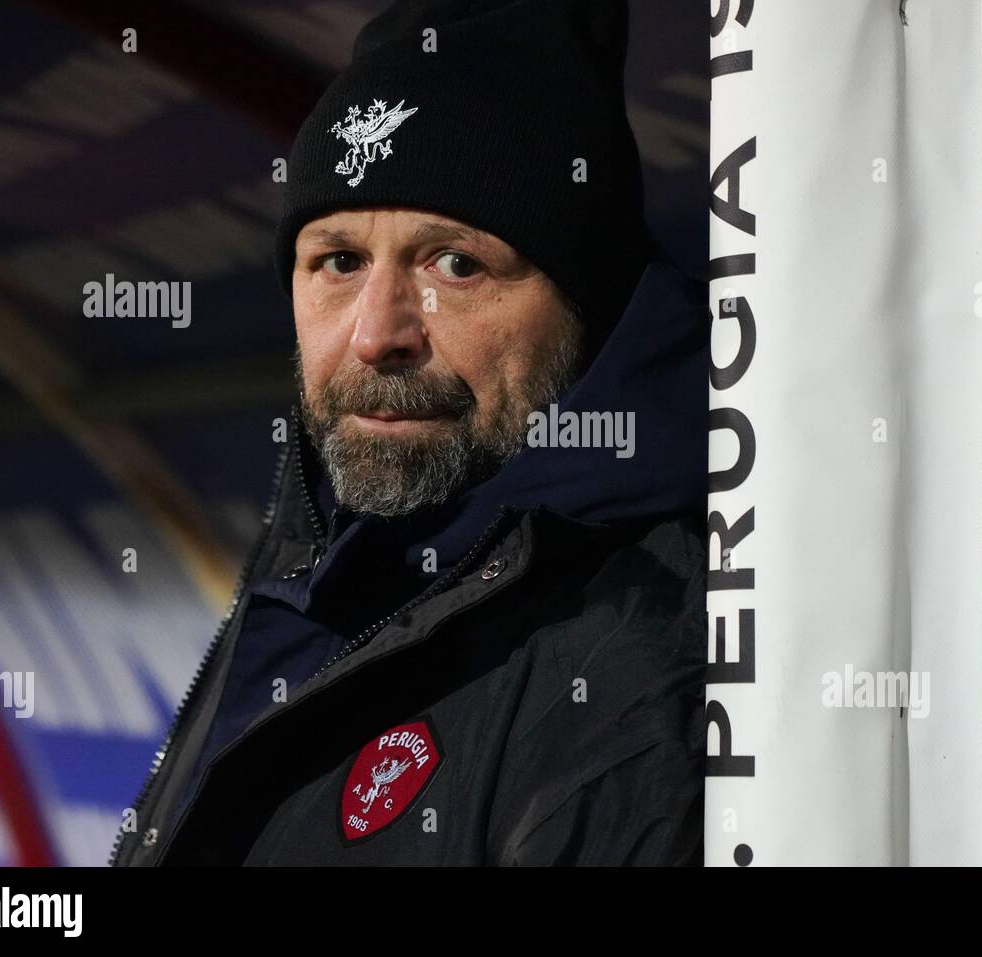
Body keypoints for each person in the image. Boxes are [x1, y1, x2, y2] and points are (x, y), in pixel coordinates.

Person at [110, 0, 707, 866]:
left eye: (456, 264)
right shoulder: (321, 571)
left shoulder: (635, 689)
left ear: (592, 307)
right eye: (339, 261)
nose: (376, 331)